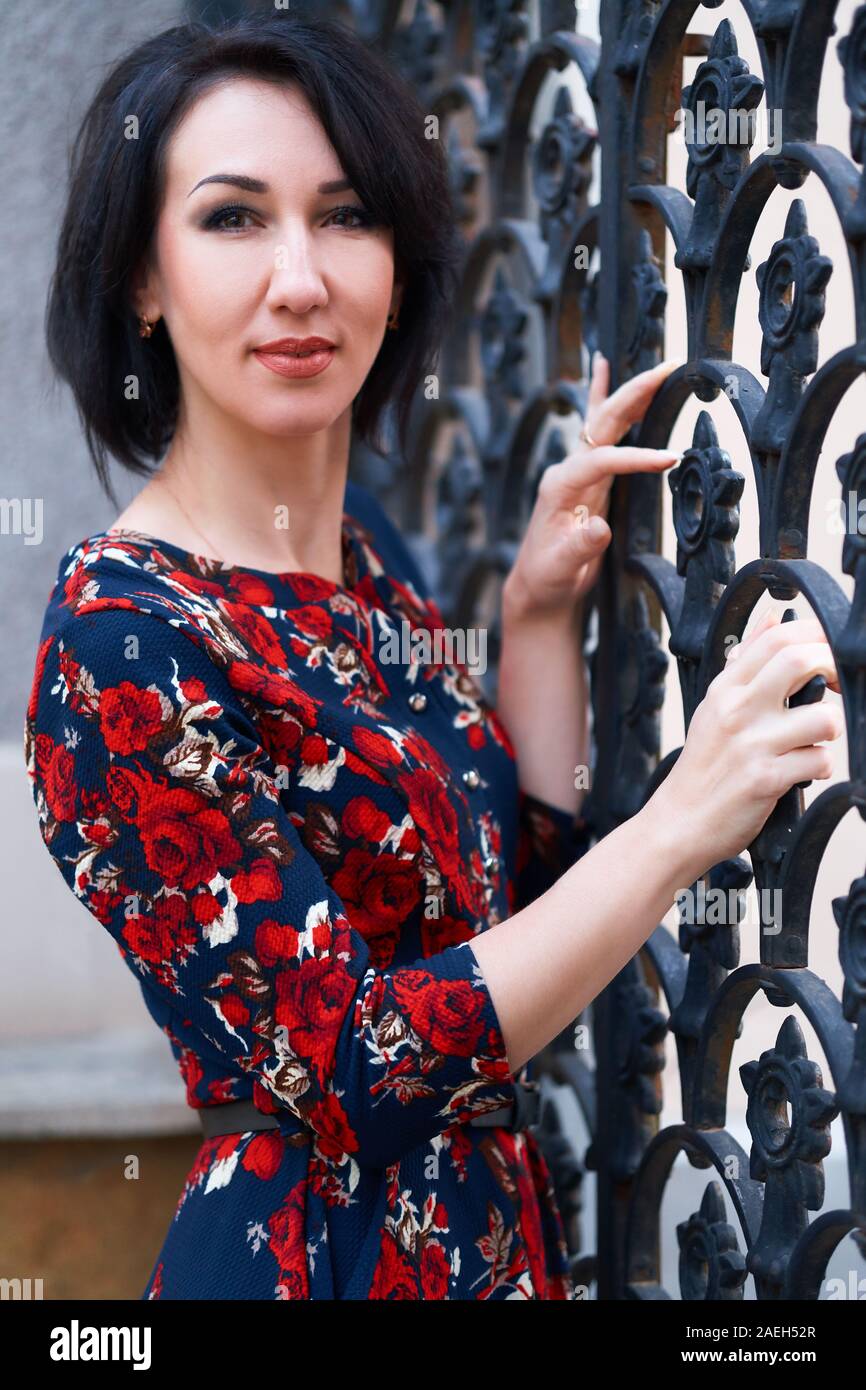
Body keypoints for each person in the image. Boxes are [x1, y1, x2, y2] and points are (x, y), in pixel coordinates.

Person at [24, 11, 842, 1301]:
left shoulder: (362, 558)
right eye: (233, 219)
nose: (301, 277)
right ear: (142, 277)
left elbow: (512, 901)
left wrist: (528, 616)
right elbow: (360, 1064)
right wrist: (684, 819)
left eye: (346, 216)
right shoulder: (123, 646)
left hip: (491, 1245)